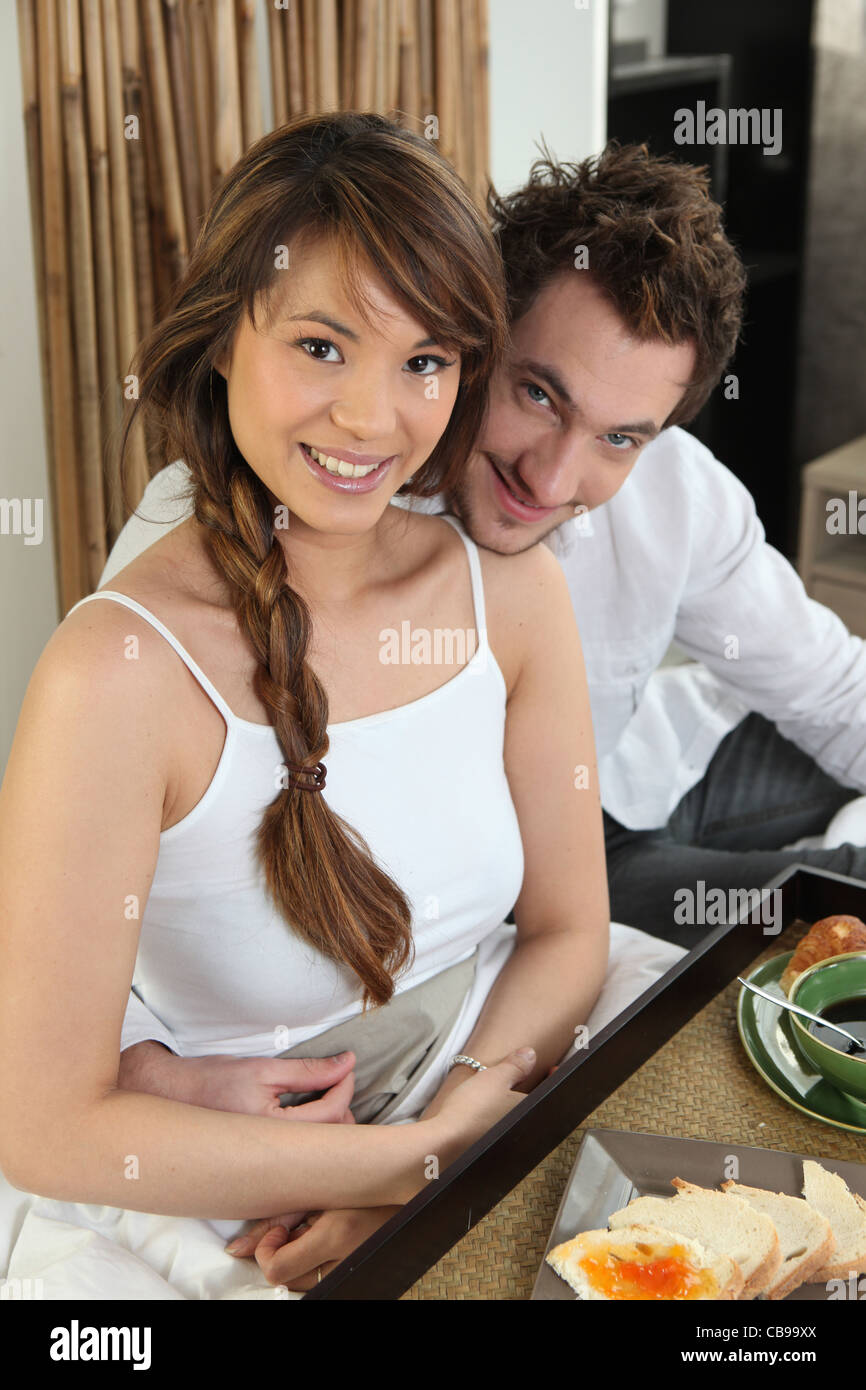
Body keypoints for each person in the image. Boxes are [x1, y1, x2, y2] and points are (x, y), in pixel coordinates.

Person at [0, 113, 619, 1293]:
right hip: (233, 1182)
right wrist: (392, 1167)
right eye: (324, 347)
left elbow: (565, 932)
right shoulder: (113, 679)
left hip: (481, 1090)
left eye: (424, 362)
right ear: (227, 330)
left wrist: (444, 1138)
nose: (370, 420)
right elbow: (46, 1123)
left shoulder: (511, 595)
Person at [117, 141, 866, 954]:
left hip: (640, 781)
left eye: (619, 437)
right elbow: (118, 828)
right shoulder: (312, 495)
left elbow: (830, 689)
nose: (550, 479)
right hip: (523, 882)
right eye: (538, 394)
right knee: (835, 897)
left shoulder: (675, 493)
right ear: (474, 339)